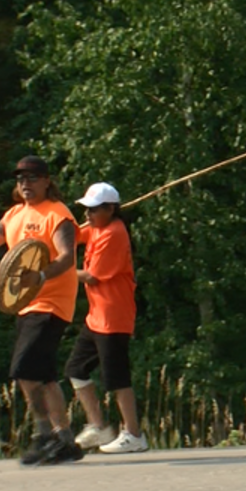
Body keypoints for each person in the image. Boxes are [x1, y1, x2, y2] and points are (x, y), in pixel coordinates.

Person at [0, 155, 84, 464]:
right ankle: (64, 440)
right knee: (43, 374)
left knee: (24, 369)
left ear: (46, 181)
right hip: (26, 304)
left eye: (31, 178)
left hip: (52, 302)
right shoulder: (13, 214)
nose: (25, 184)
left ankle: (45, 436)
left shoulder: (58, 215)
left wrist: (40, 276)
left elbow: (67, 257)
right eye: (20, 179)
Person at [65, 182, 148, 454]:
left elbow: (91, 276)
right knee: (75, 369)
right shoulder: (98, 227)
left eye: (93, 210)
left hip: (114, 315)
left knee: (116, 378)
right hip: (96, 316)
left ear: (111, 209)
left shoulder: (114, 233)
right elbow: (75, 235)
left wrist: (55, 270)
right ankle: (98, 427)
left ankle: (133, 434)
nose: (88, 215)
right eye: (86, 210)